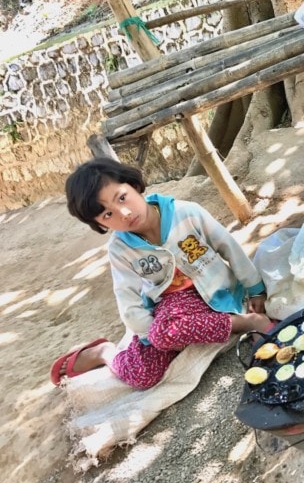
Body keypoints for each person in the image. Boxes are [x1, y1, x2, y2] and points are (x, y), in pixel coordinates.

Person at [51, 158, 273, 389]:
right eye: (108, 215)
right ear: (99, 224)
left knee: (165, 332)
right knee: (143, 376)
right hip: (172, 306)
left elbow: (229, 247)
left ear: (133, 184)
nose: (124, 213)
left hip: (216, 290)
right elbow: (127, 298)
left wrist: (255, 288)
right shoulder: (120, 249)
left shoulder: (187, 213)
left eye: (122, 197)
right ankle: (104, 352)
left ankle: (248, 323)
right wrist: (152, 336)